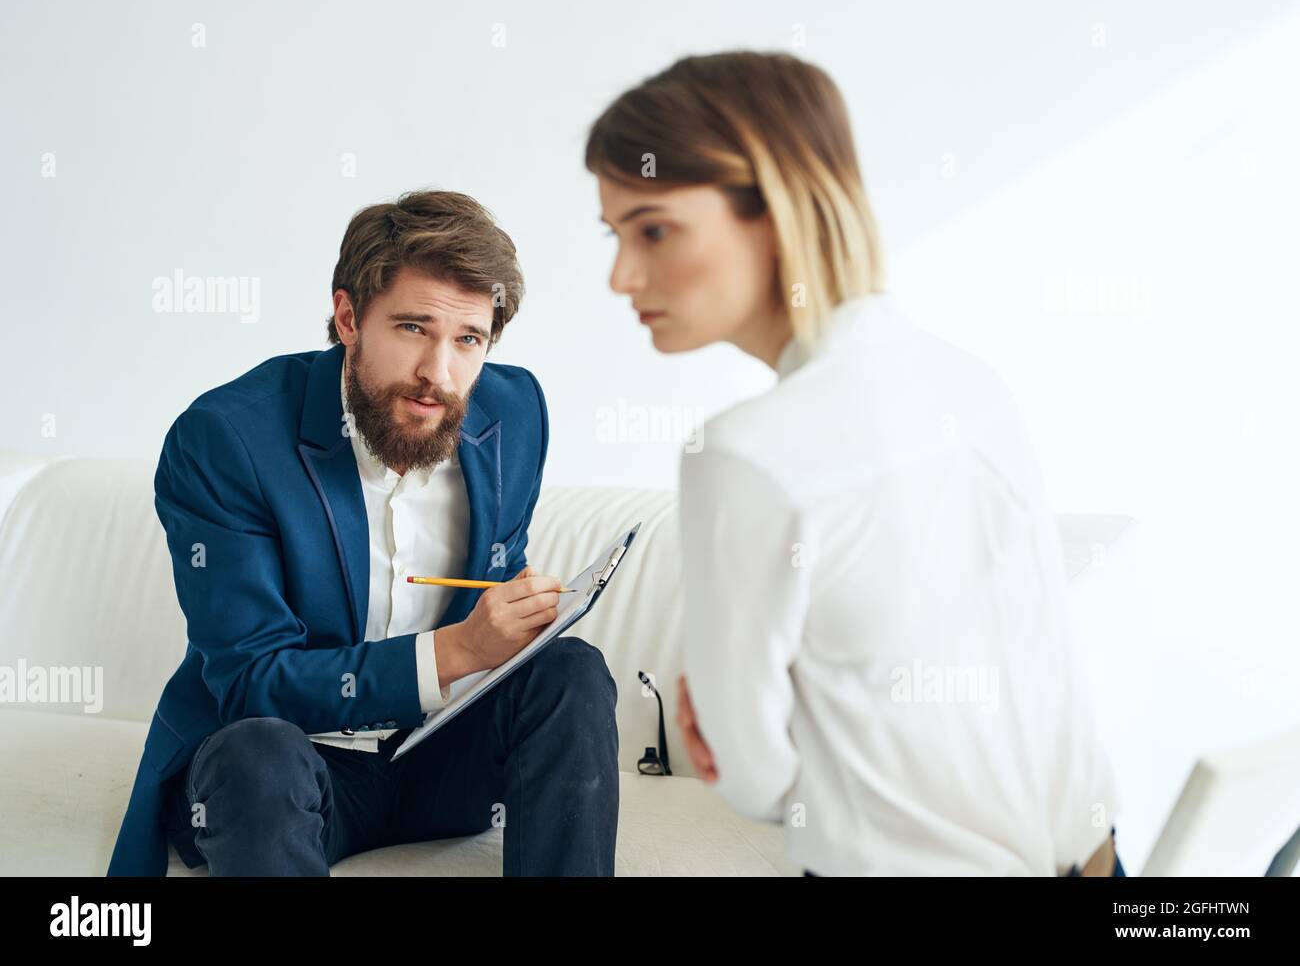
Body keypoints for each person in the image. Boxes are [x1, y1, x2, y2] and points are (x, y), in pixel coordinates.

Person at [585, 51, 1121, 876]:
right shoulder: (972, 384)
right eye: (615, 234)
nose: (622, 274)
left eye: (653, 229)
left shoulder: (741, 455)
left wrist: (748, 740)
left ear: (778, 207)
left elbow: (757, 780)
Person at [107, 190, 619, 876]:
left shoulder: (514, 410)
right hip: (289, 776)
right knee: (255, 753)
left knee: (572, 671)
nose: (439, 374)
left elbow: (499, 579)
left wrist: (519, 620)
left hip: (441, 761)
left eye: (468, 339)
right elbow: (252, 682)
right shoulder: (227, 439)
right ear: (348, 317)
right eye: (413, 328)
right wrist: (459, 649)